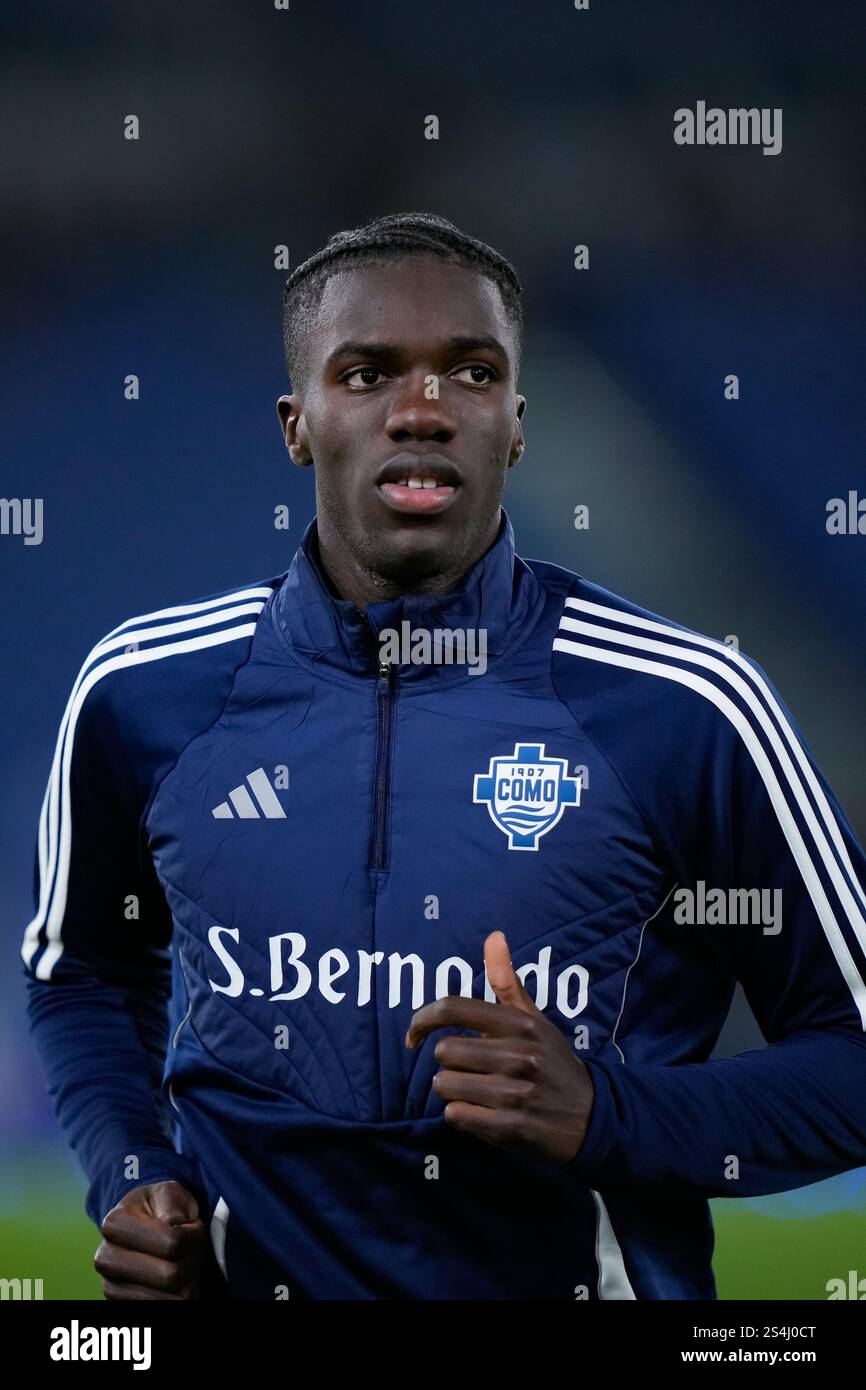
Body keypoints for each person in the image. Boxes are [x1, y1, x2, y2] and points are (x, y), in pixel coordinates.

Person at [21, 212, 866, 1300]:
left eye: (468, 372)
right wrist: (133, 1173)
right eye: (367, 373)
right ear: (295, 423)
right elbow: (81, 968)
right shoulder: (143, 692)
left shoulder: (686, 708)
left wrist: (608, 1113)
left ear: (515, 422)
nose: (420, 410)